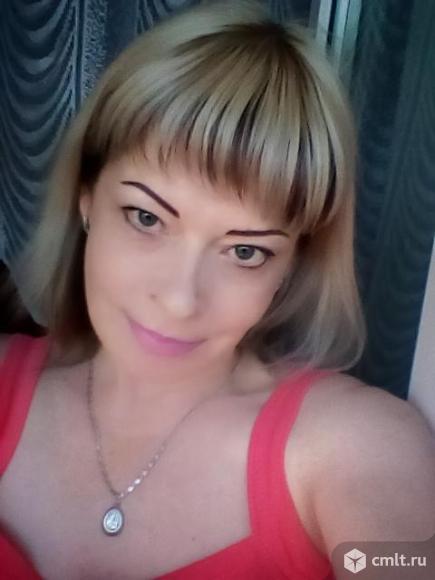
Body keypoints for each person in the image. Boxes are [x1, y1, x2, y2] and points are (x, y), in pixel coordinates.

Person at [1, 1, 434, 579]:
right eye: (147, 218)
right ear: (87, 200)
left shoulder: (351, 443)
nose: (181, 300)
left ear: (290, 266)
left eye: (246, 252)